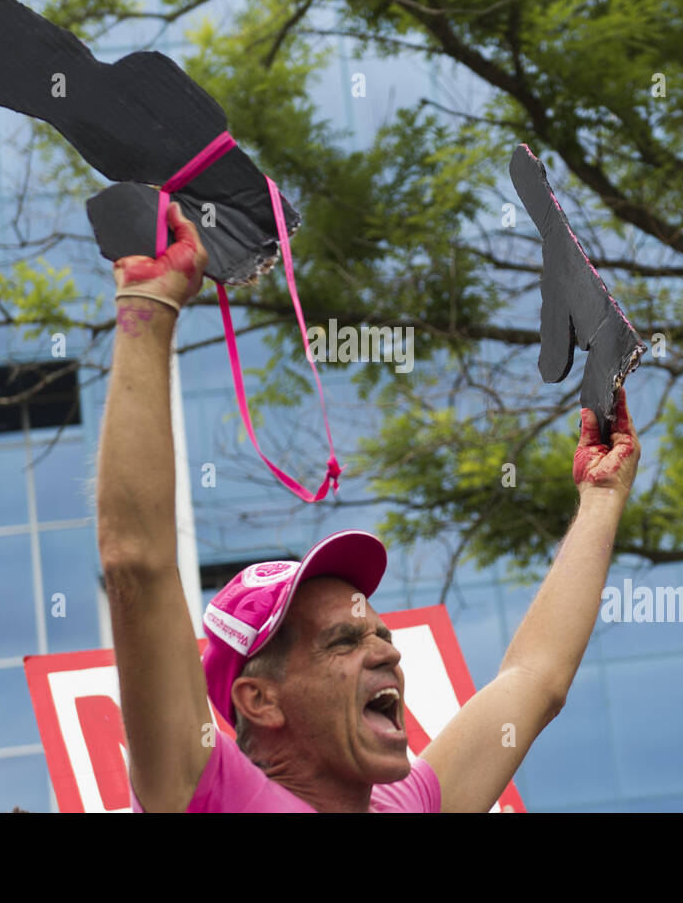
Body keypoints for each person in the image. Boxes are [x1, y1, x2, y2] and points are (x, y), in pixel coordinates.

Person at [96, 203, 640, 812]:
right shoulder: (213, 798)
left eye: (378, 634)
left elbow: (535, 681)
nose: (388, 651)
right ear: (260, 701)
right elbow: (136, 564)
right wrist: (149, 304)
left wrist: (601, 494)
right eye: (342, 643)